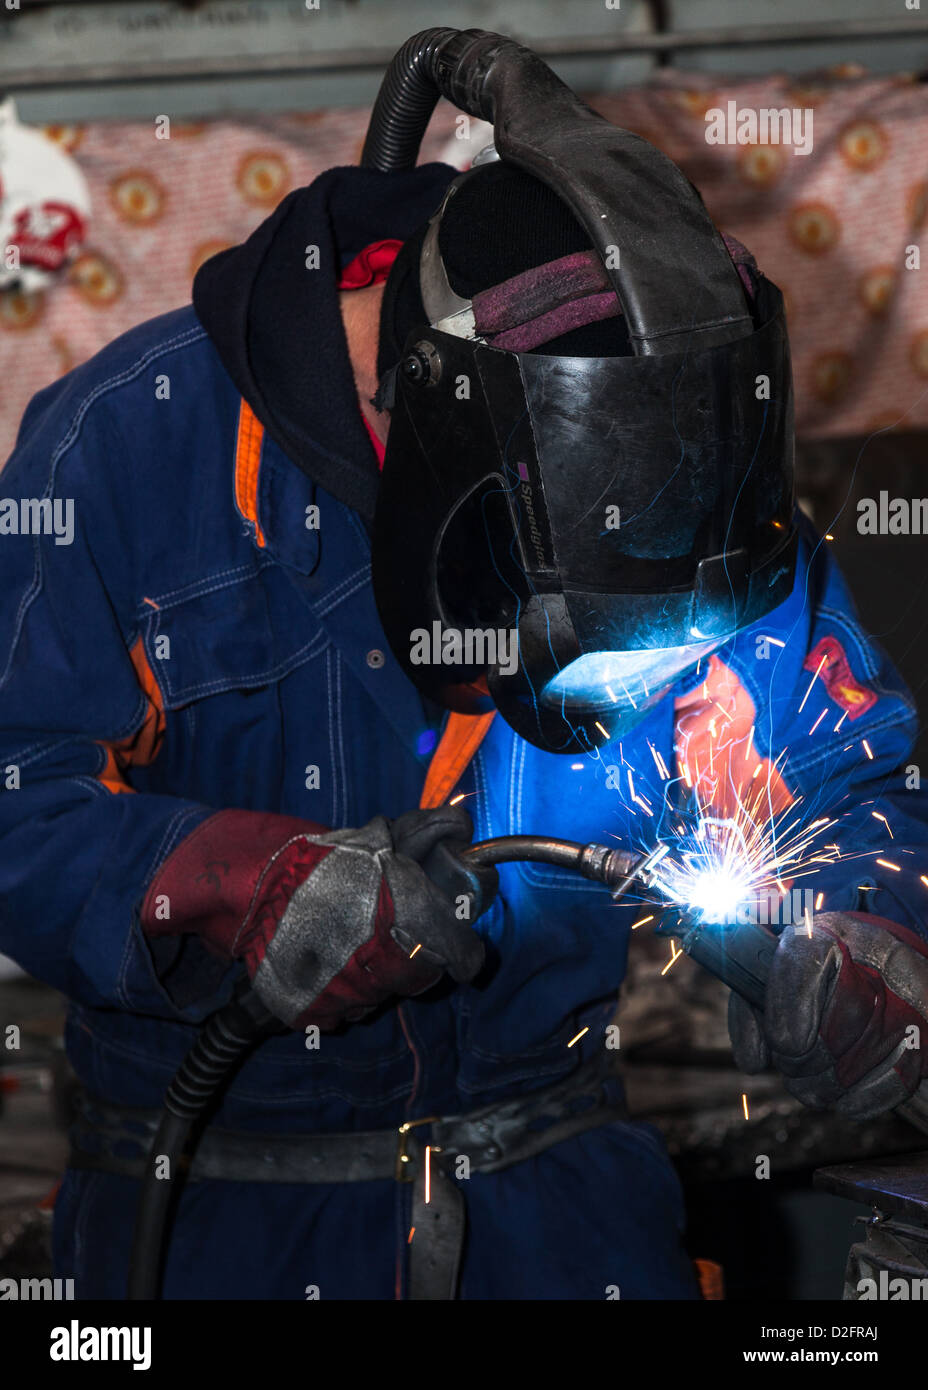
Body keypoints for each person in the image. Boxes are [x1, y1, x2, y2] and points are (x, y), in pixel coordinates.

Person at [2, 37, 928, 1302]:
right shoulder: (123, 452)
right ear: (431, 428)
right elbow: (18, 795)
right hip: (218, 1218)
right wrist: (236, 877)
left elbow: (836, 777)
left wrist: (873, 925)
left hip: (557, 1200)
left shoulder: (701, 468)